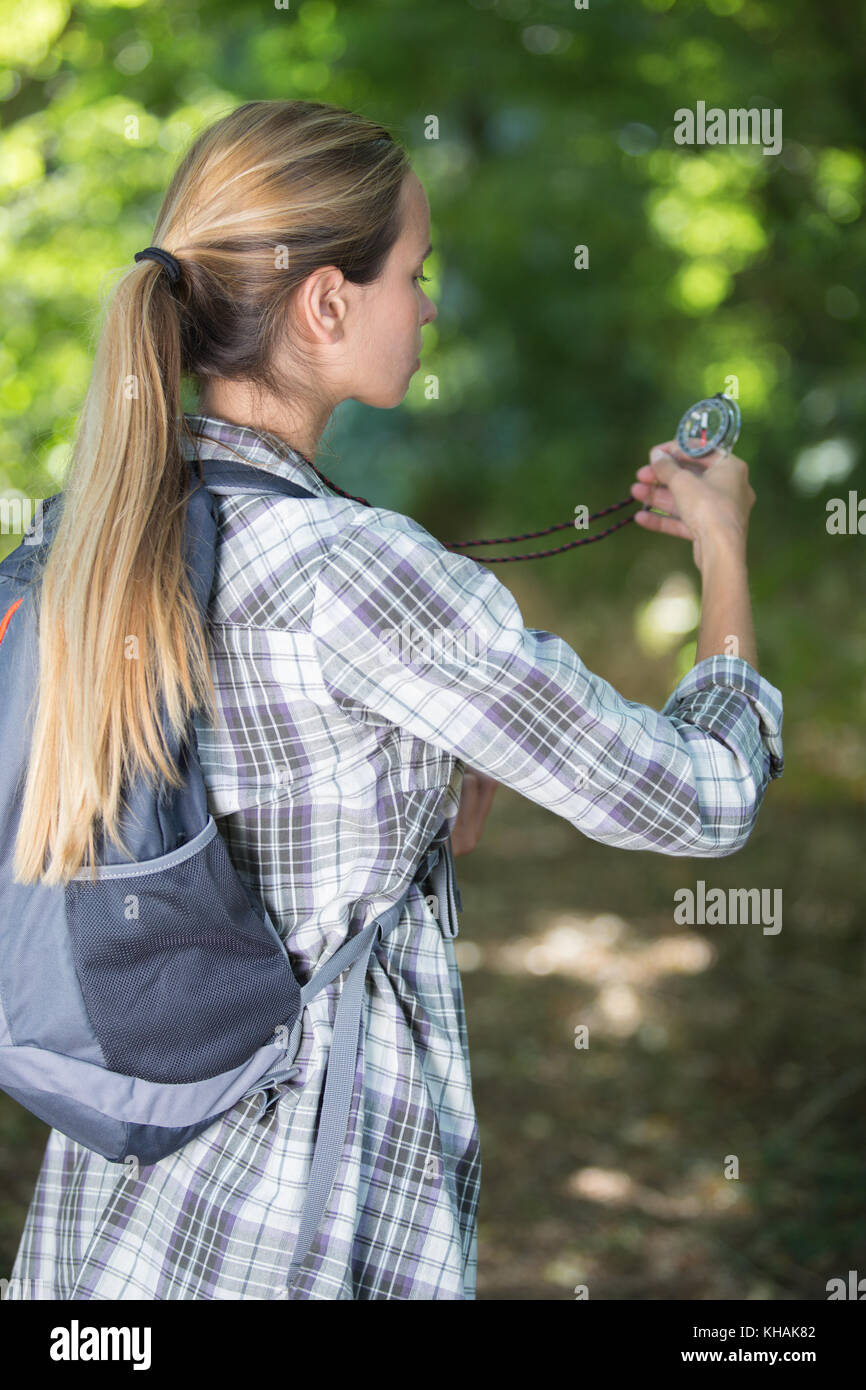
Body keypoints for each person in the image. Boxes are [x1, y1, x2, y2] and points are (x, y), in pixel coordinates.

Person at [6, 99, 783, 1302]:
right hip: (291, 1223)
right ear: (325, 302)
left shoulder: (95, 537)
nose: (425, 305)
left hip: (113, 1209)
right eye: (413, 274)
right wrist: (722, 551)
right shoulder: (355, 572)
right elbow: (700, 799)